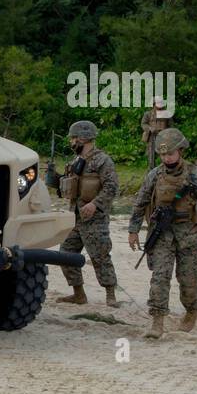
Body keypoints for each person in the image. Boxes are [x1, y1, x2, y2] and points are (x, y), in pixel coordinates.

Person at [128, 128, 197, 340]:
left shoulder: (196, 175)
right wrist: (133, 230)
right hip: (162, 234)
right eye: (162, 155)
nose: (167, 158)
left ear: (180, 150)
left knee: (188, 279)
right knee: (159, 277)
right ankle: (157, 320)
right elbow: (141, 202)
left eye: (170, 153)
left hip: (191, 233)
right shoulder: (154, 175)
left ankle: (192, 311)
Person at [55, 120, 119, 307]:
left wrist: (95, 204)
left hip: (95, 218)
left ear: (83, 138)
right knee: (66, 254)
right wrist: (56, 180)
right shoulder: (75, 161)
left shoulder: (102, 161)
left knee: (100, 256)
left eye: (73, 138)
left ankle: (111, 295)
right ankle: (79, 294)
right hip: (75, 217)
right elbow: (69, 186)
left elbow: (112, 187)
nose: (71, 142)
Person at [140, 96, 172, 170]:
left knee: (164, 153)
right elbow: (143, 124)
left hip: (163, 137)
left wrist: (168, 134)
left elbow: (170, 125)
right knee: (151, 155)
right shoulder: (148, 114)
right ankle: (151, 171)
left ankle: (164, 169)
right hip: (152, 137)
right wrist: (150, 128)